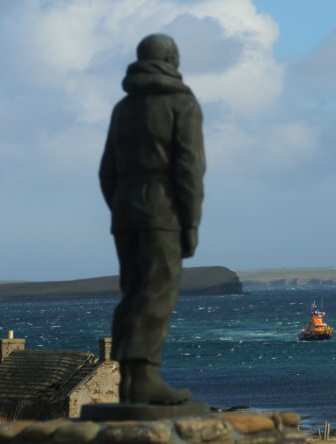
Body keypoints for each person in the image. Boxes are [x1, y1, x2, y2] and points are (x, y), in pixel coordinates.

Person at [99, 33, 206, 404]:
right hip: (163, 208)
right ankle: (144, 375)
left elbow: (107, 171)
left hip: (125, 208)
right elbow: (189, 168)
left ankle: (130, 381)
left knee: (133, 291)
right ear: (172, 60)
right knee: (158, 290)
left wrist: (120, 206)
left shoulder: (123, 108)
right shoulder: (182, 104)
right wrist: (190, 222)